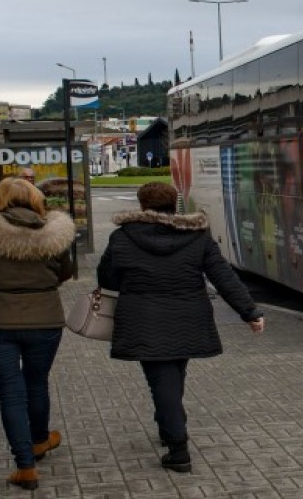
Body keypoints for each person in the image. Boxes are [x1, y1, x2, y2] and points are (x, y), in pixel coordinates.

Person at [97, 181, 265, 474]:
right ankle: (169, 426)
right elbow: (223, 276)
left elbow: (108, 279)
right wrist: (249, 312)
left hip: (143, 319)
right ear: (174, 205)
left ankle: (178, 450)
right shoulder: (196, 237)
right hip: (188, 316)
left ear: (142, 205)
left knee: (161, 381)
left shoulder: (122, 237)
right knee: (173, 374)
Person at [0, 177, 78, 490]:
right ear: (35, 199)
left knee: (11, 390)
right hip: (46, 321)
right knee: (37, 383)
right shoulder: (56, 233)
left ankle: (25, 466)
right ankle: (38, 441)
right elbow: (65, 272)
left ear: (0, 199)